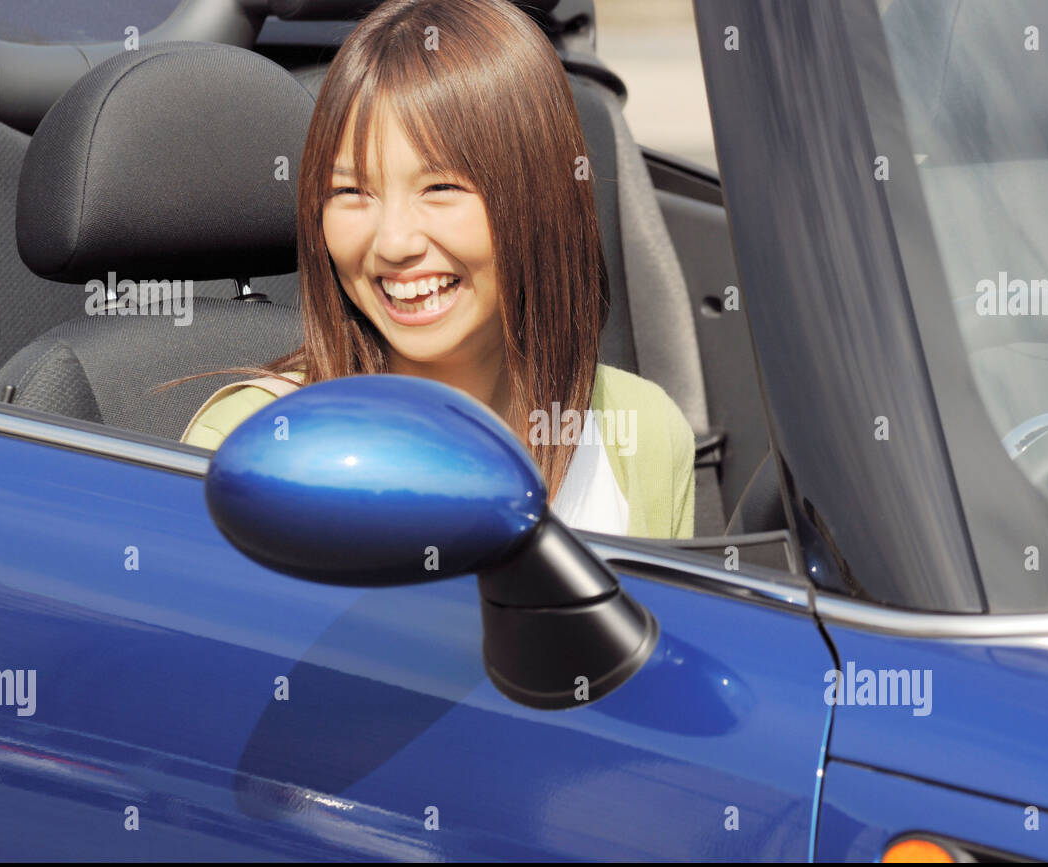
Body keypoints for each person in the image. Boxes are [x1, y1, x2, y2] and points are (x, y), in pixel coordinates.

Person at [180, 0, 694, 539]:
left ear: (542, 199)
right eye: (350, 191)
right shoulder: (254, 443)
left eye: (441, 188)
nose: (393, 242)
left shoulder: (641, 432)